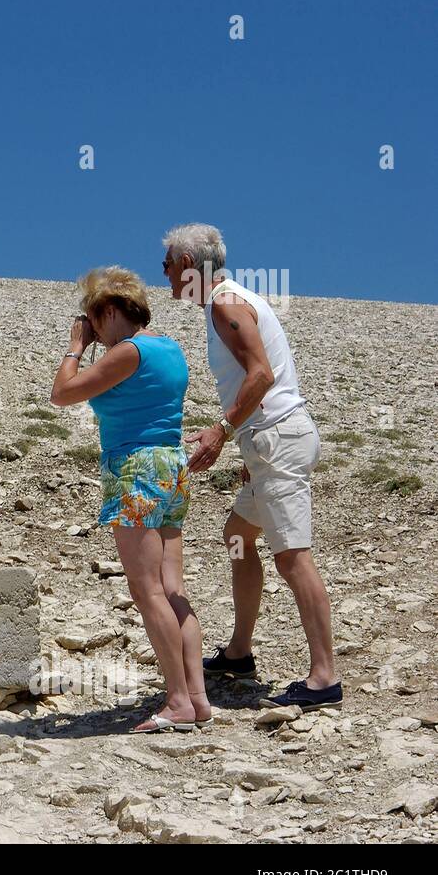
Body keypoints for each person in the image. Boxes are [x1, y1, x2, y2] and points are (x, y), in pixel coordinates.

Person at [162, 223, 340, 710]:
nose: (164, 273)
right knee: (239, 534)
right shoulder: (228, 299)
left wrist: (221, 431)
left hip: (276, 440)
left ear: (187, 266)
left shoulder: (224, 303)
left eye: (168, 264)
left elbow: (261, 375)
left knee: (292, 556)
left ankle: (324, 676)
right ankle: (240, 652)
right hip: (267, 443)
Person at [52, 267, 209, 732]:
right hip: (171, 467)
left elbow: (62, 393)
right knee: (173, 588)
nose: (92, 327)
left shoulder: (128, 352)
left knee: (147, 591)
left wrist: (75, 347)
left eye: (94, 318)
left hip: (136, 470)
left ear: (112, 311)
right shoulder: (170, 349)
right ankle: (197, 698)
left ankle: (177, 700)